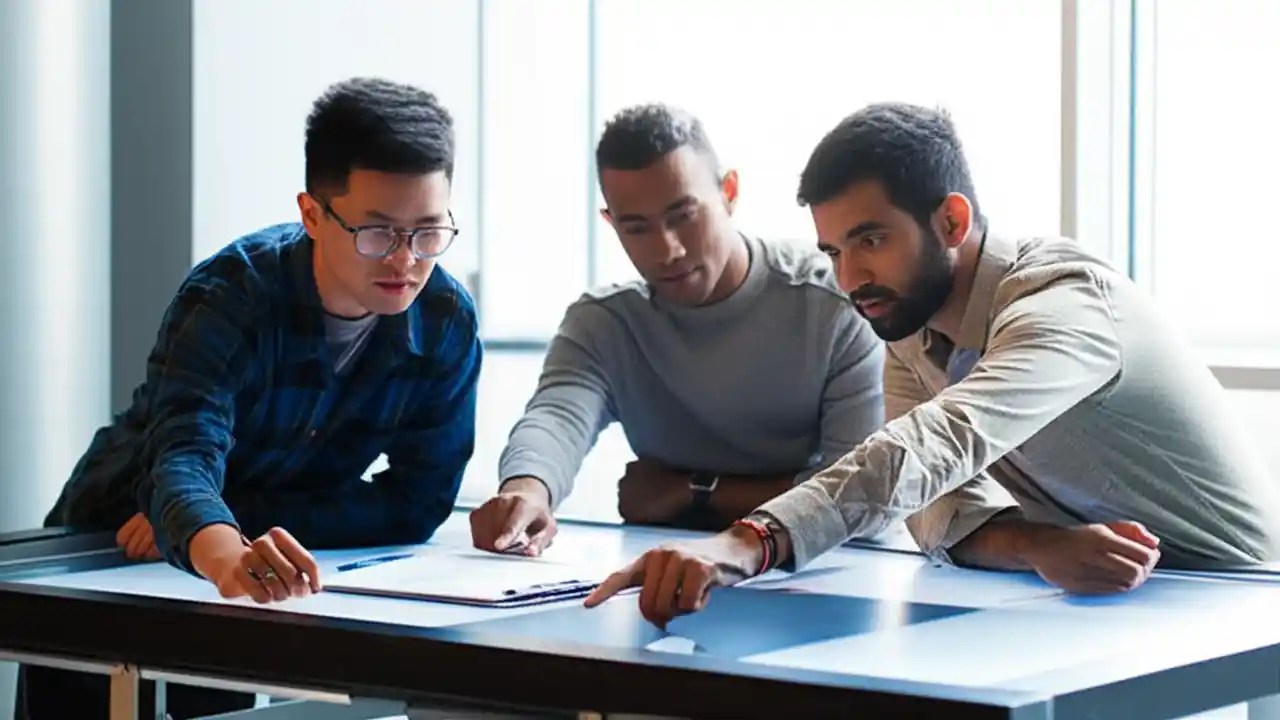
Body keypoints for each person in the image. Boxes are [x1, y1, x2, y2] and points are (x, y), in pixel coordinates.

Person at [585, 102, 1280, 627]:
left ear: (951, 221)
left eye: (871, 240)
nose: (850, 277)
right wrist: (1037, 544)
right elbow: (933, 507)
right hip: (1128, 608)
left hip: (1242, 609)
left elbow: (934, 445)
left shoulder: (1063, 308)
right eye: (831, 252)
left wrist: (746, 545)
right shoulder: (912, 333)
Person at [17, 77, 481, 719]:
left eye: (428, 232)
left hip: (230, 554)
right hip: (116, 545)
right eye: (376, 232)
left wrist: (242, 522)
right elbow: (181, 457)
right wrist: (220, 544)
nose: (405, 261)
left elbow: (418, 501)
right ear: (313, 214)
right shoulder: (232, 295)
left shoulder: (446, 320)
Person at [469, 104, 884, 556]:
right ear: (611, 223)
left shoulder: (834, 304)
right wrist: (528, 492)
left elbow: (864, 499)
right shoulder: (605, 322)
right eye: (636, 227)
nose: (666, 249)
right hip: (661, 572)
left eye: (683, 215)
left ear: (729, 192)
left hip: (823, 566)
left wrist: (696, 491)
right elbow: (556, 418)